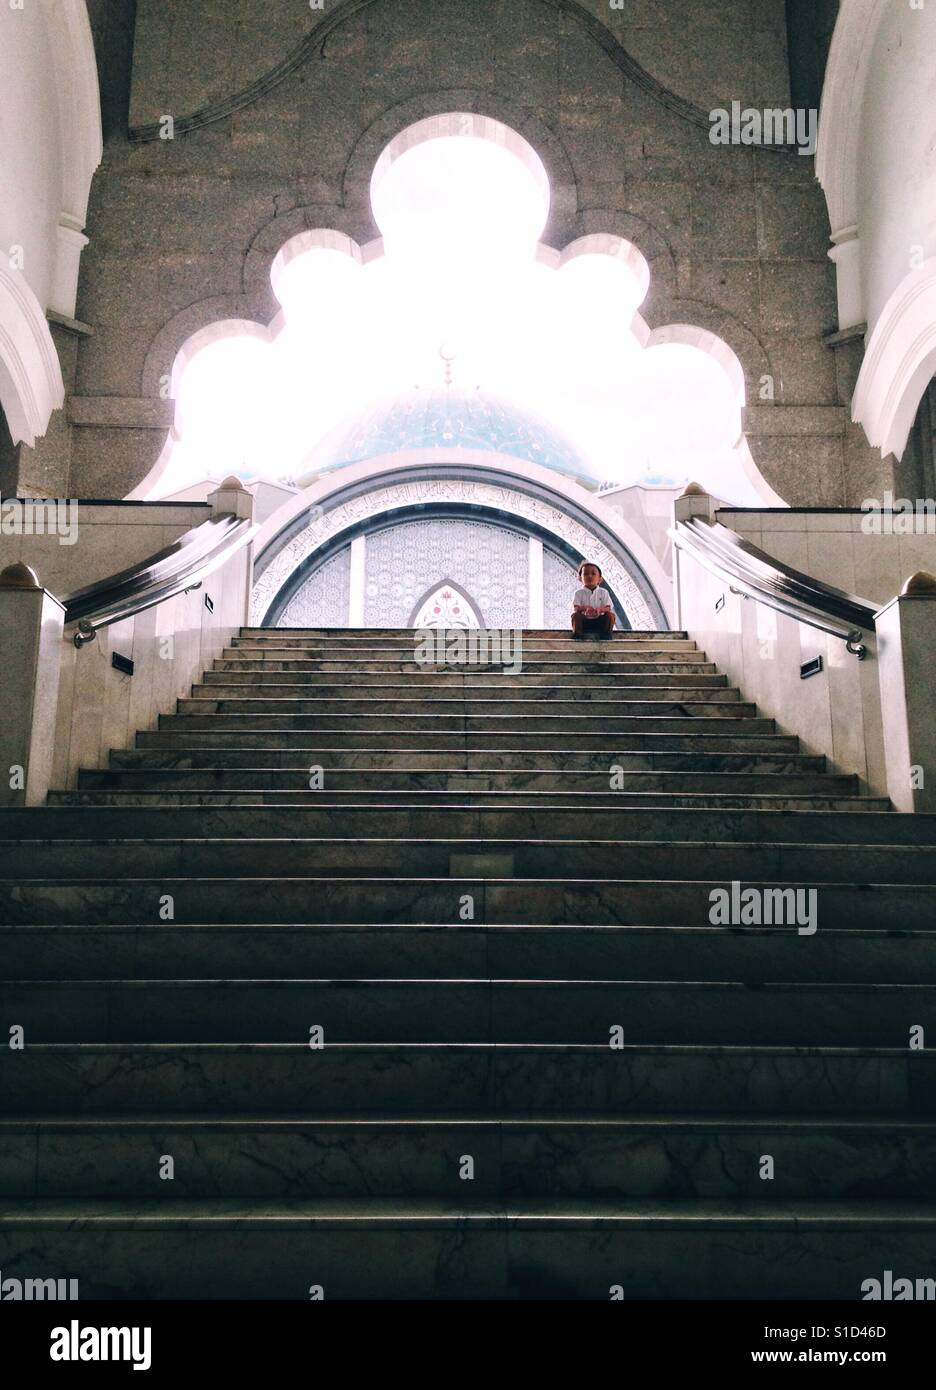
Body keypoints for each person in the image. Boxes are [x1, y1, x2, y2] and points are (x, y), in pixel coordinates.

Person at [571, 561, 615, 640]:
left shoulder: (603, 592)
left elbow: (608, 607)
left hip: (599, 621)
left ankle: (606, 635)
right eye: (586, 574)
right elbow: (576, 608)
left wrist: (600, 609)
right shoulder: (578, 593)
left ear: (600, 579)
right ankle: (578, 635)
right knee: (575, 616)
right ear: (580, 578)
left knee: (610, 615)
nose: (590, 576)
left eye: (593, 574)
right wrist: (585, 608)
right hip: (584, 622)